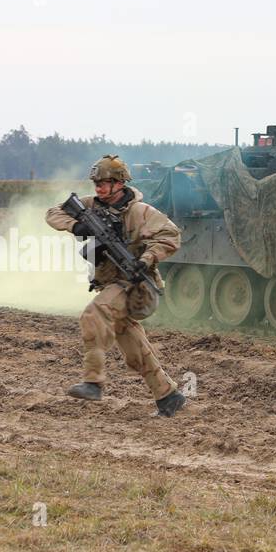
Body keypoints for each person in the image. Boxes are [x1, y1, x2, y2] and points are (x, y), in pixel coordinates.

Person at [45, 155, 186, 417]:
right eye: (96, 182)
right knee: (135, 351)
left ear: (119, 184)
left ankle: (93, 382)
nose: (98, 188)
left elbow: (171, 235)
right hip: (109, 285)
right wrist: (77, 225)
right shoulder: (90, 206)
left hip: (134, 287)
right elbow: (53, 213)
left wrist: (147, 259)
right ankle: (168, 396)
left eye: (105, 183)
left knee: (93, 314)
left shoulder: (140, 212)